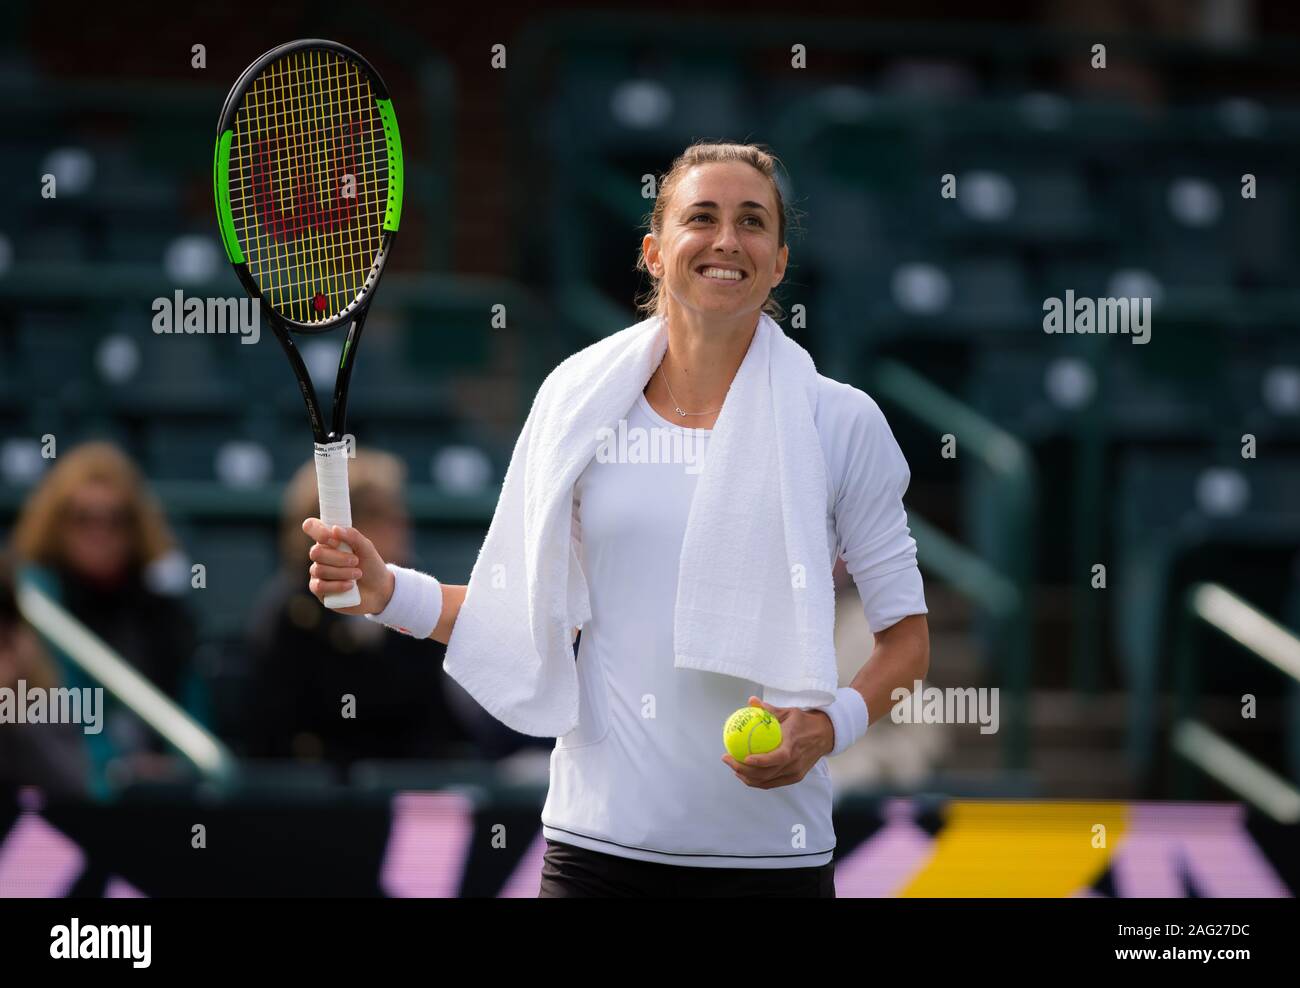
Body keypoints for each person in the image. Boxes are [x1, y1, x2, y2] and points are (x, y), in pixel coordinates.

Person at [303, 142, 930, 897]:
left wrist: (830, 729)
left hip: (774, 860)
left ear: (778, 262)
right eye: (701, 217)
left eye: (752, 222)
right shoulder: (578, 400)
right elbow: (520, 614)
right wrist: (383, 589)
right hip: (595, 852)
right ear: (655, 253)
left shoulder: (844, 424)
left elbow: (907, 642)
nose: (727, 240)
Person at [244, 449, 497, 772]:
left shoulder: (416, 600)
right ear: (338, 523)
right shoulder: (289, 612)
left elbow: (435, 722)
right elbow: (274, 732)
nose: (400, 524)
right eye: (378, 514)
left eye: (398, 511)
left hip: (411, 793)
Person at [9, 441, 197, 795]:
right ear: (56, 521)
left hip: (154, 802)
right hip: (56, 799)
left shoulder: (162, 612)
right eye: (82, 518)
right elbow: (48, 716)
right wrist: (112, 767)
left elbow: (193, 719)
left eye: (115, 519)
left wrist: (173, 768)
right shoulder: (34, 603)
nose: (99, 534)